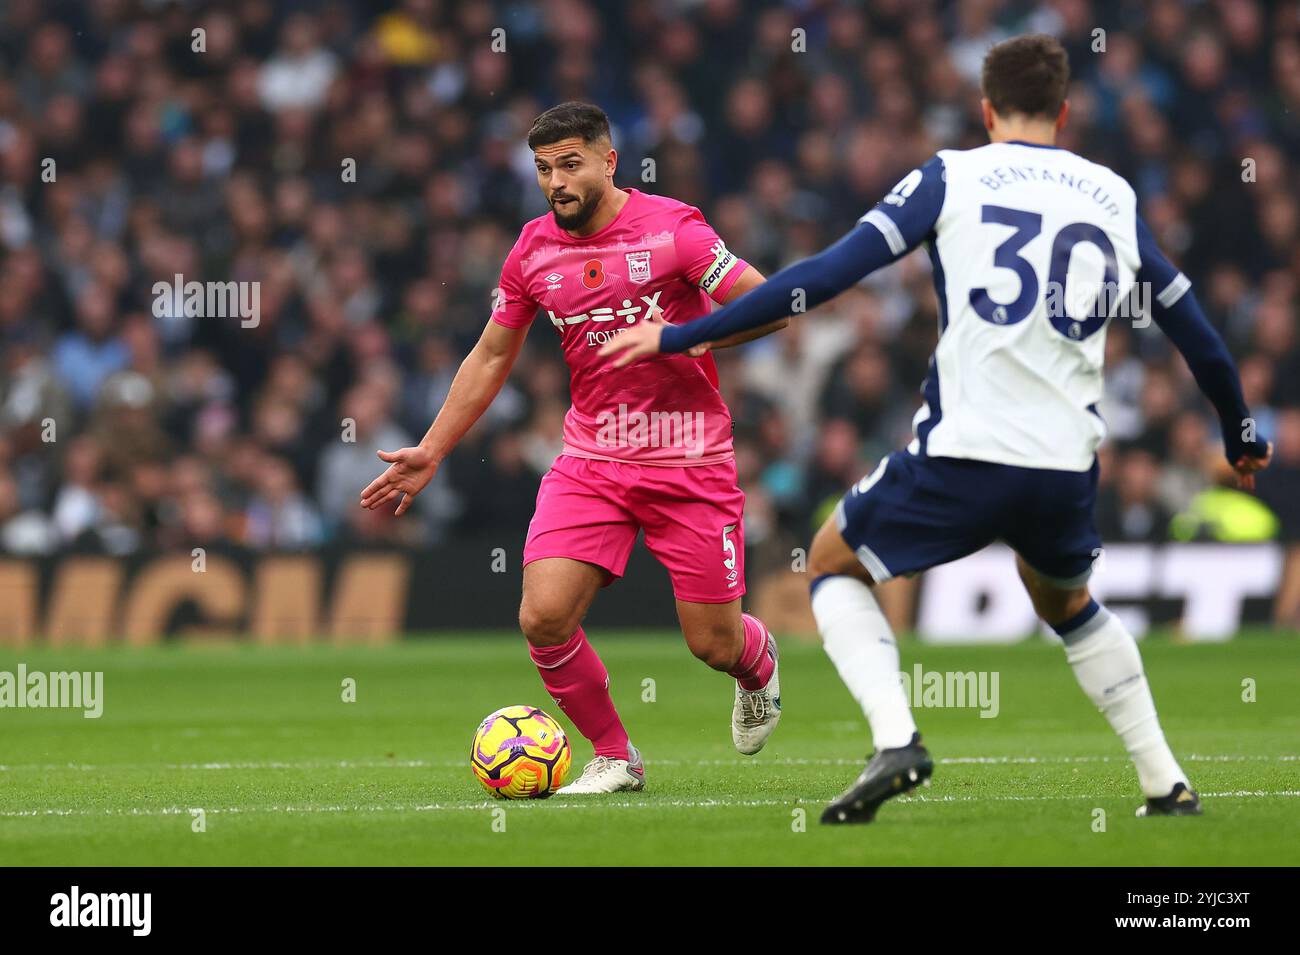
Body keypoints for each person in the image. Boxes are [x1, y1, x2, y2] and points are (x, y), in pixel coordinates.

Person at [599, 36, 1273, 822]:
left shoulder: (951, 176)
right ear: (1063, 112)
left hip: (967, 450)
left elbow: (824, 276)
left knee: (832, 564)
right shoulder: (1112, 195)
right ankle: (1166, 784)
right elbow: (1197, 333)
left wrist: (681, 334)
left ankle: (896, 740)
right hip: (1066, 463)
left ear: (985, 110)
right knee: (1066, 603)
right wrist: (1241, 434)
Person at [361, 102, 786, 794]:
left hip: (688, 455)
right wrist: (433, 449)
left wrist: (685, 335)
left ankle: (757, 663)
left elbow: (769, 304)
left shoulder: (674, 229)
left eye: (569, 164)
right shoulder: (533, 250)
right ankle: (616, 755)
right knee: (543, 616)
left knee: (713, 643)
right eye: (542, 168)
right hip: (592, 458)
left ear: (608, 162)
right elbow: (492, 353)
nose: (555, 182)